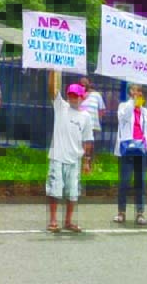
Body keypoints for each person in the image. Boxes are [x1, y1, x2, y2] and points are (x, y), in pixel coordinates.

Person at [46, 83, 94, 233]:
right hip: (58, 157)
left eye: (75, 96)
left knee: (73, 192)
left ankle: (68, 221)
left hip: (75, 159)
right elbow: (51, 88)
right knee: (55, 190)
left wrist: (86, 161)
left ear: (82, 97)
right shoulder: (61, 107)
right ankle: (53, 220)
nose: (72, 98)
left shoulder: (86, 117)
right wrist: (53, 68)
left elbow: (87, 140)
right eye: (70, 95)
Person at [113, 82, 147, 226]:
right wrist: (133, 101)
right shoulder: (123, 107)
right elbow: (123, 117)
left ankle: (140, 213)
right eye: (136, 91)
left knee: (140, 184)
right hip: (126, 150)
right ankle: (121, 212)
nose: (139, 94)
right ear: (130, 92)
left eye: (141, 92)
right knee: (124, 182)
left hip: (141, 151)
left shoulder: (146, 112)